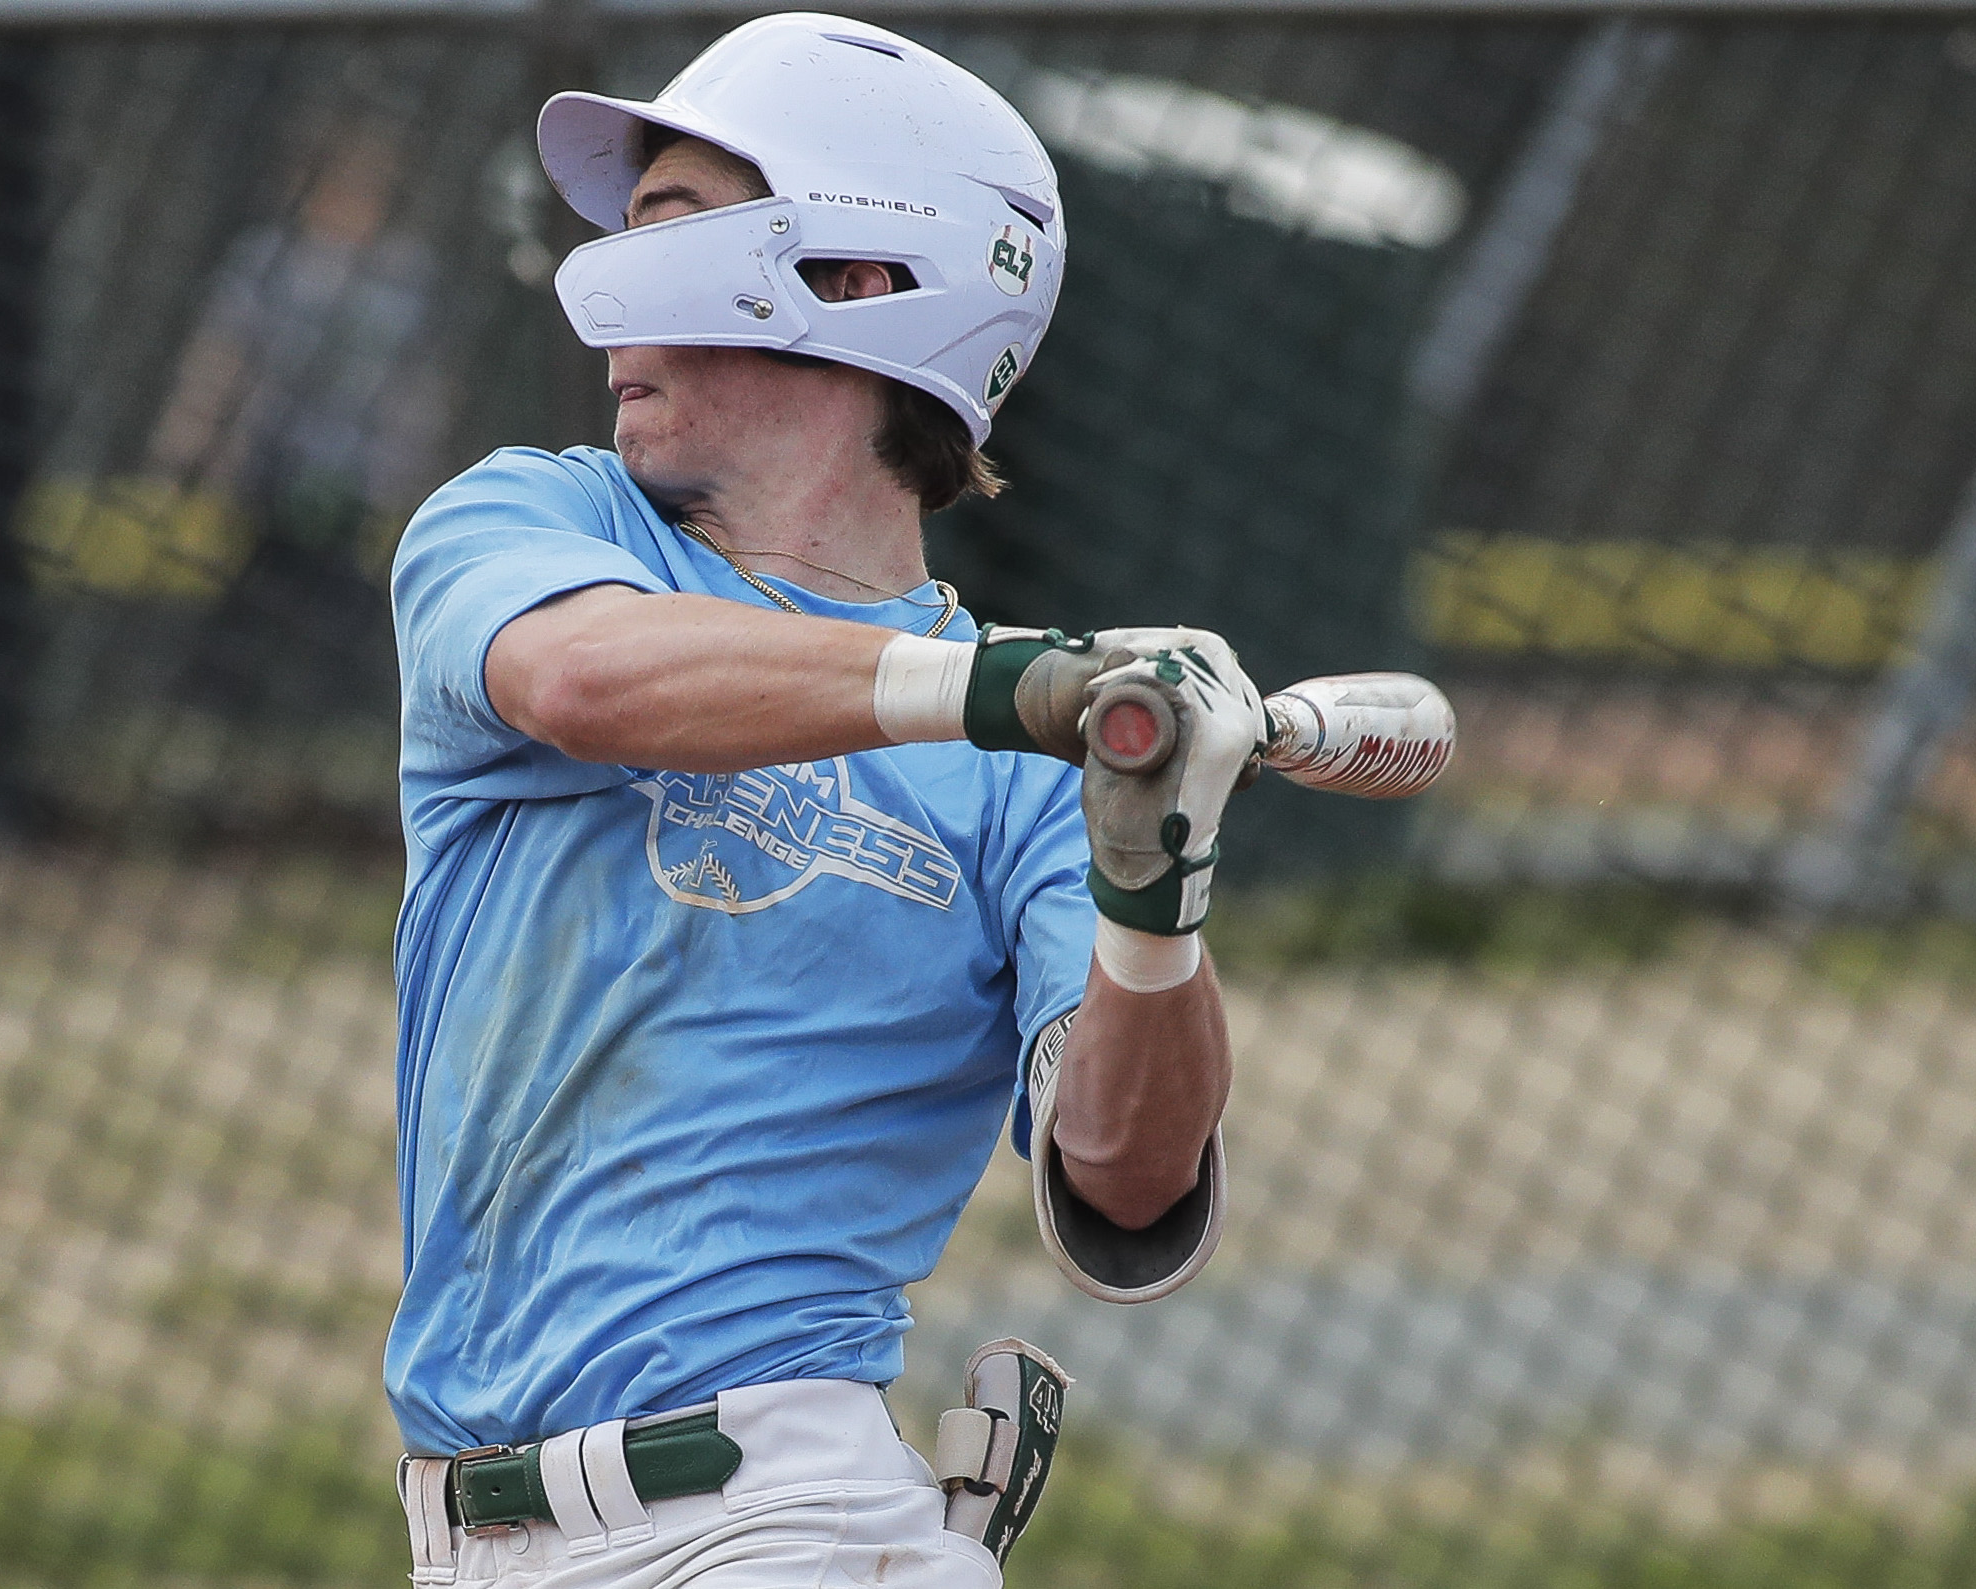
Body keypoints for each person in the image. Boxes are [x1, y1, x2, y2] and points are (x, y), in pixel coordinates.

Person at [384, 15, 1265, 1586]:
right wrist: (997, 692)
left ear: (864, 280)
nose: (610, 314)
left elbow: (1124, 1175)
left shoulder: (1041, 773)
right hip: (472, 1535)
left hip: (777, 1527)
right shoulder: (538, 522)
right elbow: (586, 685)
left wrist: (1156, 896)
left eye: (672, 230)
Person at [152, 120, 453, 720]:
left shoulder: (399, 277)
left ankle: (345, 712)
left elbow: (417, 382)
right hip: (274, 459)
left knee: (345, 592)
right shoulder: (269, 264)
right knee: (265, 578)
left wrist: (411, 459)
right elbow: (222, 357)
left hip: (354, 469)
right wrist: (191, 436)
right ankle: (219, 705)